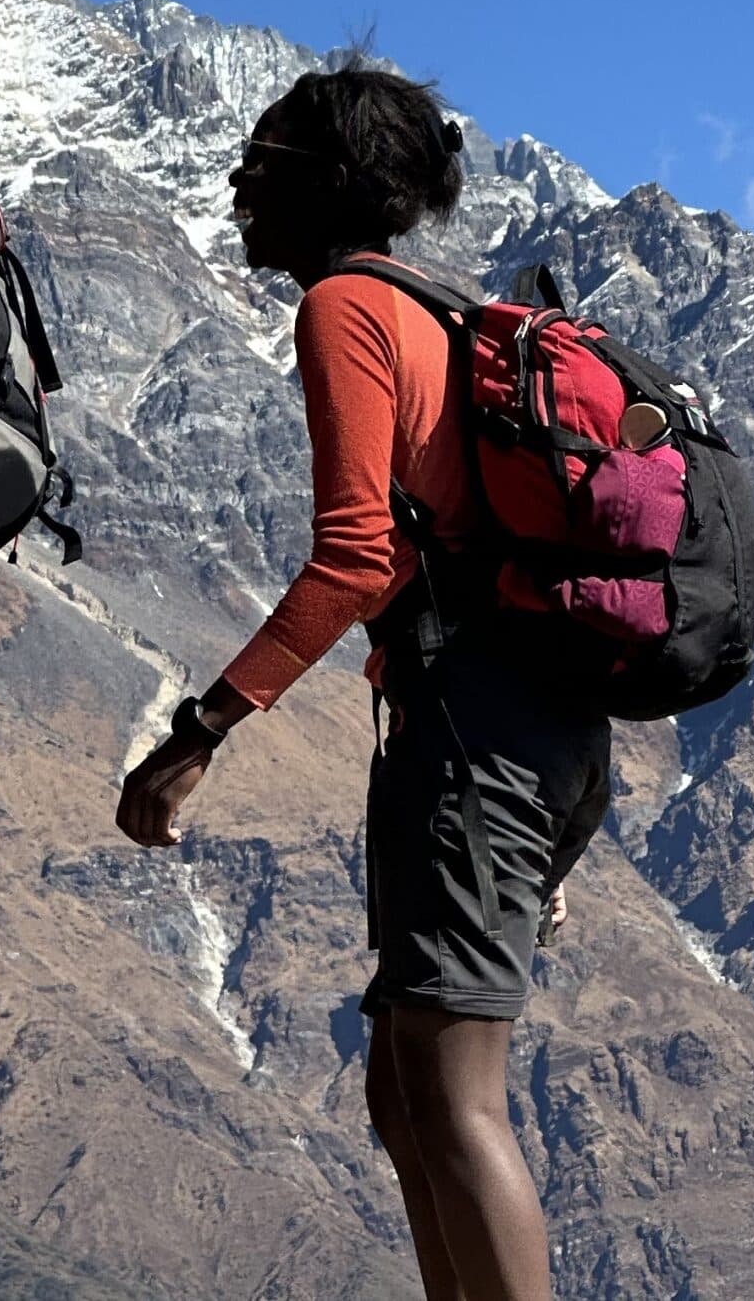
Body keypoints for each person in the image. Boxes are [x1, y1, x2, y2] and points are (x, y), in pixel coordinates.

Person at [115, 65, 612, 1301]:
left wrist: (202, 727)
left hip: (470, 737)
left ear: (322, 181)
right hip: (525, 726)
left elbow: (357, 554)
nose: (239, 182)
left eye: (261, 159)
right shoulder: (445, 309)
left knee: (451, 1099)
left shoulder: (347, 305)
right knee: (403, 1090)